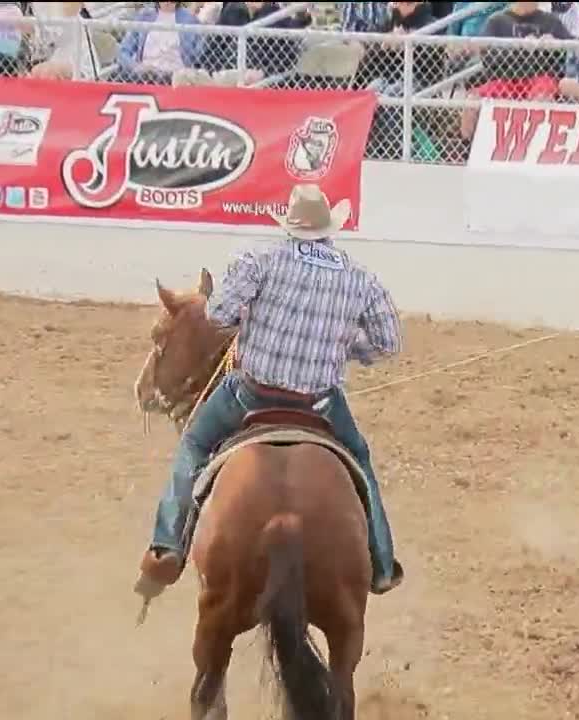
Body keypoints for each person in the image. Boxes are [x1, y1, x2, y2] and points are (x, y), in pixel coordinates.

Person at [135, 183, 406, 597]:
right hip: (319, 404)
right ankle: (382, 563)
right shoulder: (360, 279)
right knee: (361, 461)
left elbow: (220, 315)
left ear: (291, 226)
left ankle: (168, 547)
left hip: (250, 394)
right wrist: (347, 346)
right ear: (329, 229)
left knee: (193, 446)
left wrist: (252, 319)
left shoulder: (259, 260)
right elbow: (388, 342)